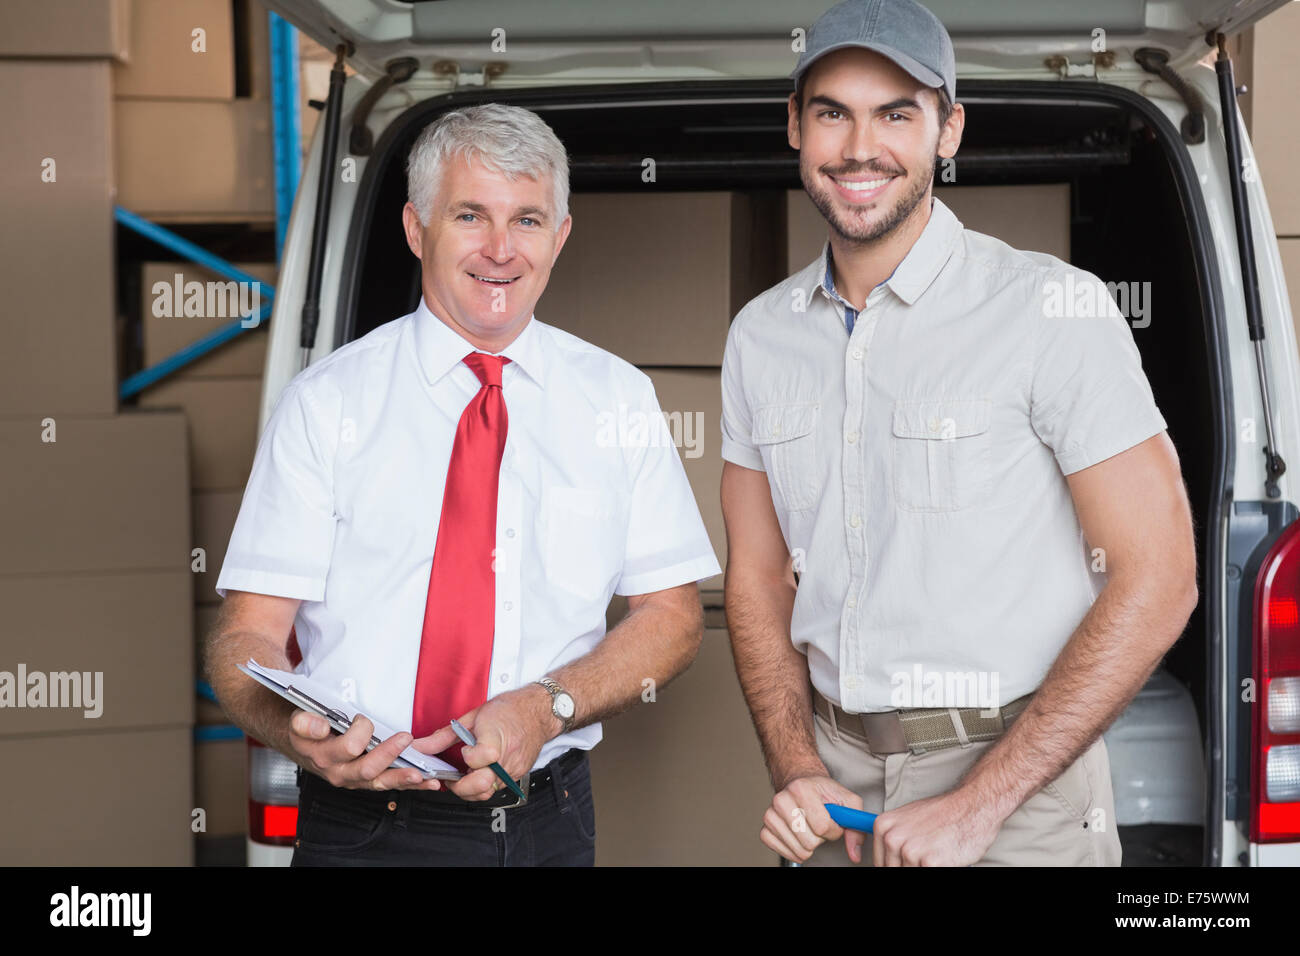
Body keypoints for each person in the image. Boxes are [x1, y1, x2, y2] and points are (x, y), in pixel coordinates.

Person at [720, 0, 1197, 866]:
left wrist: (979, 806)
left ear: (949, 130)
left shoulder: (1051, 310)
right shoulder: (761, 335)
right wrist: (795, 767)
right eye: (832, 112)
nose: (860, 146)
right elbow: (756, 577)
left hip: (1024, 800)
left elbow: (1160, 578)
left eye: (897, 113)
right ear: (795, 127)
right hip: (831, 796)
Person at [206, 103, 721, 866]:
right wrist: (295, 734)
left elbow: (673, 616)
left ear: (562, 236)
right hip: (361, 826)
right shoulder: (327, 402)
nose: (501, 251)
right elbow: (243, 639)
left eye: (529, 220)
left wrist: (548, 709)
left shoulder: (618, 400)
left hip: (545, 818)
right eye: (471, 215)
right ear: (417, 229)